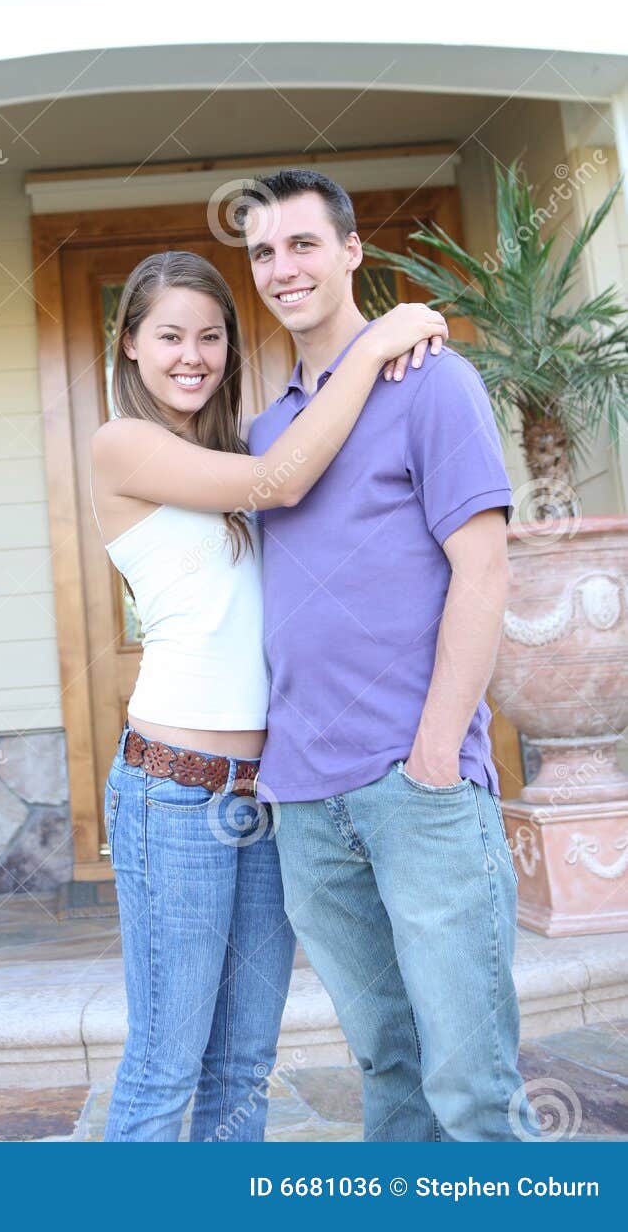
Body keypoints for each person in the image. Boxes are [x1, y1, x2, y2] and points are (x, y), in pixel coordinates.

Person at [90, 249, 447, 1142]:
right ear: (129, 343)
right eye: (169, 336)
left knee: (244, 1065)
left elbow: (306, 482)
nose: (192, 355)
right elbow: (281, 481)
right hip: (172, 789)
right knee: (165, 1064)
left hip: (264, 793)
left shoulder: (241, 444)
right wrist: (374, 345)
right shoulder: (121, 445)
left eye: (211, 337)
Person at [240, 167, 537, 1143]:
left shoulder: (433, 382)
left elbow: (482, 569)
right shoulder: (271, 433)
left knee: (471, 1086)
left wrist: (436, 751)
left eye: (302, 244)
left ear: (350, 252)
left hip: (416, 785)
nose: (281, 268)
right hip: (304, 800)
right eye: (262, 252)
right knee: (389, 1074)